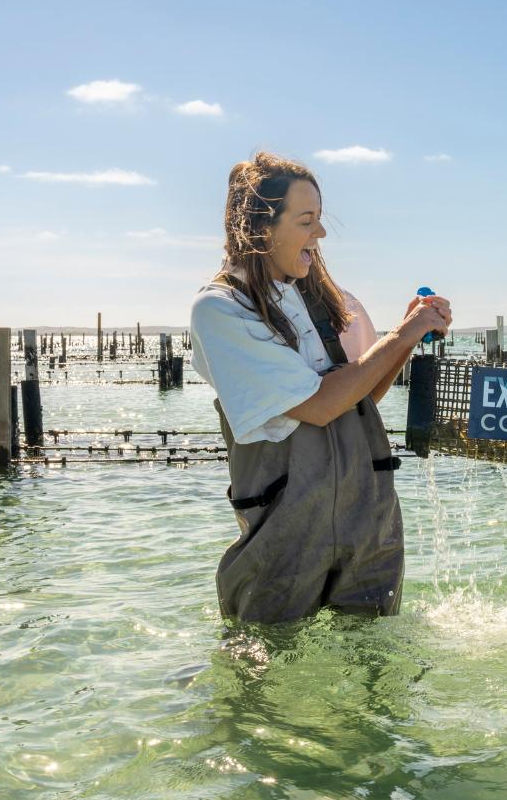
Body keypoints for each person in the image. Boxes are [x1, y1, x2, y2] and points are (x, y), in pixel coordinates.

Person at [190, 152, 451, 624]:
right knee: (263, 676)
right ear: (260, 227)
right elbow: (318, 406)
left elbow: (360, 400)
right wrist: (402, 335)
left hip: (367, 520)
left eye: (319, 220)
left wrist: (409, 335)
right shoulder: (221, 309)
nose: (321, 234)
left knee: (379, 678)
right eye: (307, 221)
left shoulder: (321, 297)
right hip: (285, 531)